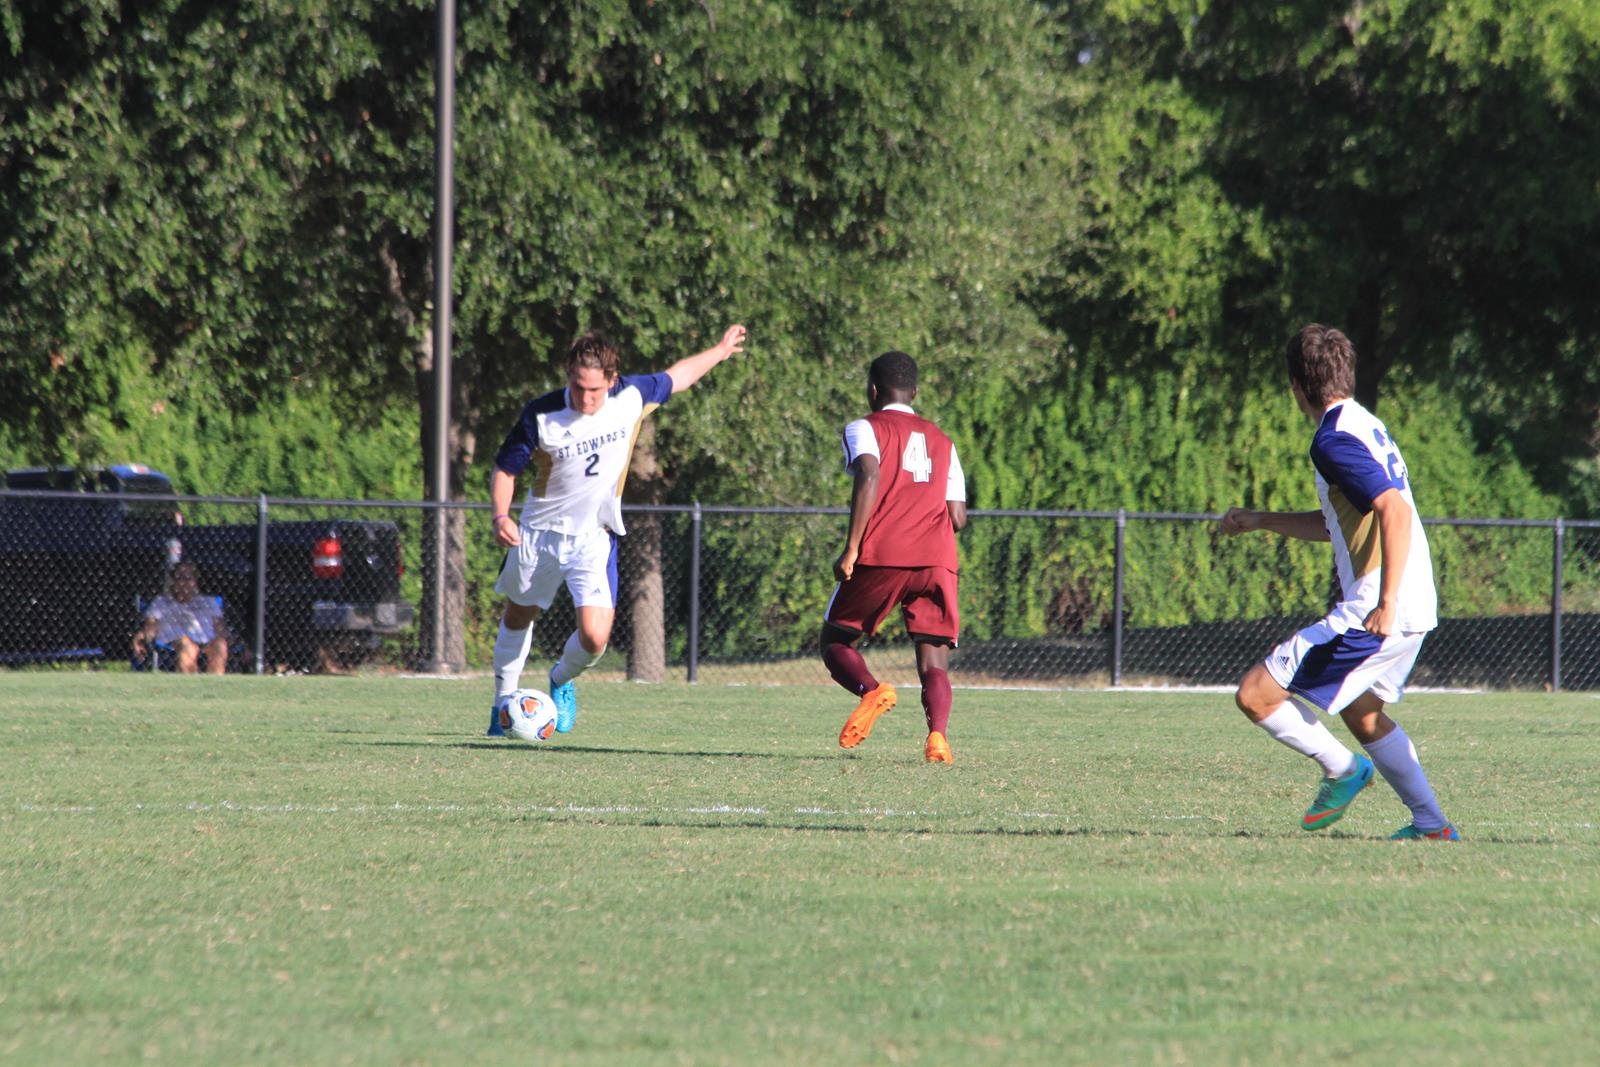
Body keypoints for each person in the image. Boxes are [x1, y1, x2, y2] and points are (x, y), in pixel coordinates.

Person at [1219, 323, 1457, 840]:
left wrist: (1385, 601)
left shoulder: (1332, 439)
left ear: (1296, 387)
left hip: (1381, 601)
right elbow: (1339, 523)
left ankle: (1343, 770)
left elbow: (1391, 510)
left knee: (1257, 694)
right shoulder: (1365, 423)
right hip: (1415, 600)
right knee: (1363, 712)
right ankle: (1432, 825)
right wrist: (1262, 519)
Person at [485, 323, 747, 737]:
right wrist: (502, 516)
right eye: (577, 387)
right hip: (539, 534)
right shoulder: (542, 414)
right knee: (520, 613)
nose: (585, 398)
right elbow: (505, 469)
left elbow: (678, 377)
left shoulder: (631, 395)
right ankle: (503, 707)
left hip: (593, 537)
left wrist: (718, 350)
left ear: (611, 378)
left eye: (593, 389)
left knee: (595, 637)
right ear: (568, 375)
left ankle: (561, 679)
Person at [821, 350, 968, 763]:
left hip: (883, 553)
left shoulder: (863, 427)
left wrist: (852, 547)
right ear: (915, 392)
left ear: (872, 390)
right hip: (937, 559)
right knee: (934, 658)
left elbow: (869, 472)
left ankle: (874, 691)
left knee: (835, 639)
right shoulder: (943, 439)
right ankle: (937, 736)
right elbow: (958, 516)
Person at [132, 561, 229, 674]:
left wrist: (232, 641)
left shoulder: (209, 602)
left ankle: (214, 684)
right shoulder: (160, 602)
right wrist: (142, 636)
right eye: (179, 578)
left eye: (188, 578)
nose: (183, 582)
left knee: (220, 645)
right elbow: (151, 628)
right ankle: (191, 685)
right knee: (186, 643)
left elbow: (220, 629)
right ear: (173, 581)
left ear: (195, 582)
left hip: (206, 642)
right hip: (172, 644)